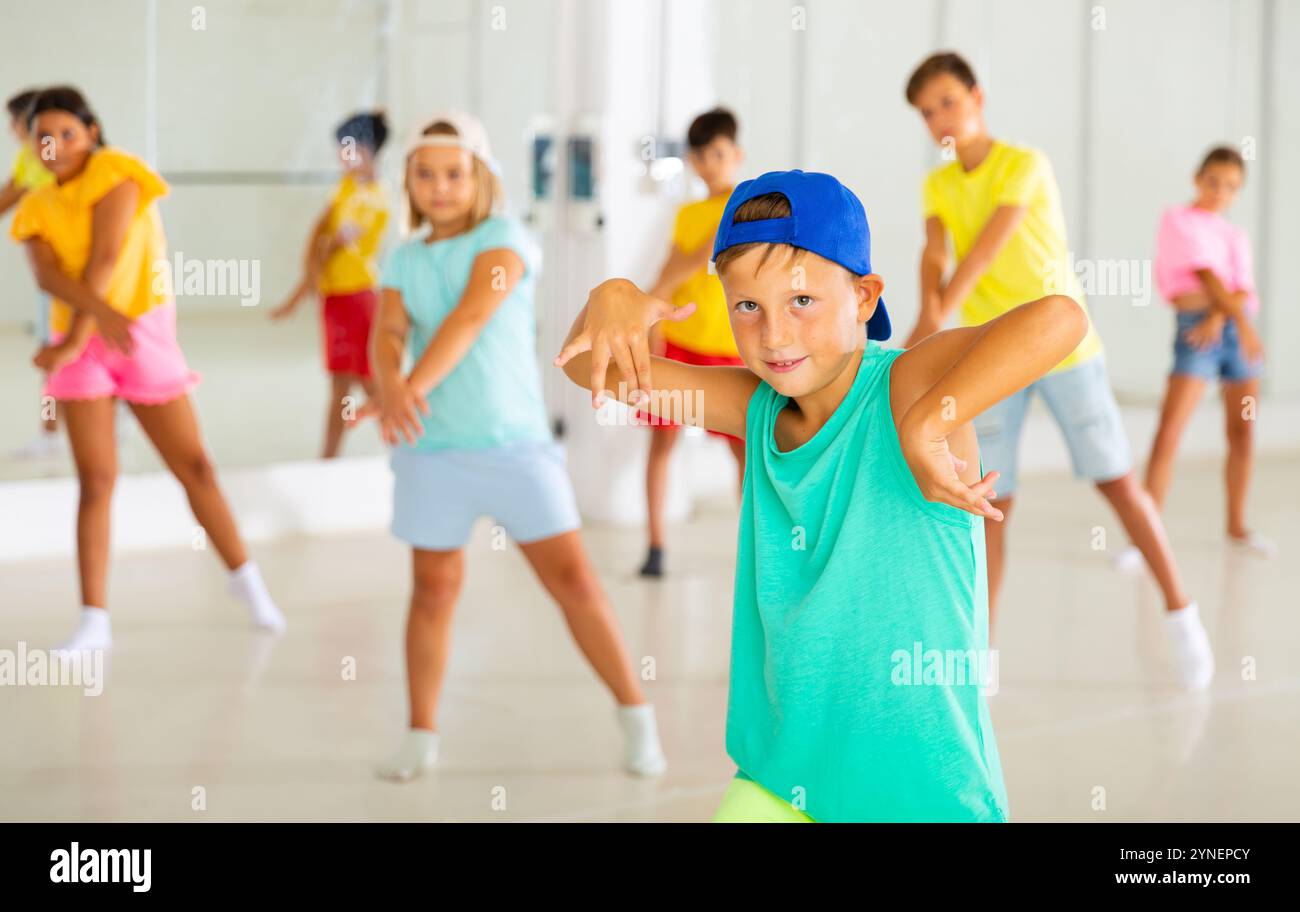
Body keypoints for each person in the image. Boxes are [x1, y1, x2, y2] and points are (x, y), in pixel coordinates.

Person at [554, 169, 1082, 821]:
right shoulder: (750, 406)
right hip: (783, 775)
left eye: (802, 301)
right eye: (748, 306)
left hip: (922, 788)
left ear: (864, 297)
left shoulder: (910, 385)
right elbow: (588, 368)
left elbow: (1061, 319)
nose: (774, 335)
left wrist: (927, 425)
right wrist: (610, 294)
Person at [360, 111, 665, 782]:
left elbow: (471, 317)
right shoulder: (404, 258)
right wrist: (390, 383)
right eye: (426, 174)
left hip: (515, 449)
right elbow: (387, 331)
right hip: (431, 450)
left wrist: (408, 383)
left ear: (480, 179)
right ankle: (420, 731)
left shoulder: (506, 242)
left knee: (576, 581)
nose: (440, 186)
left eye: (455, 173)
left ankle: (635, 713)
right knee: (432, 591)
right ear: (408, 182)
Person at [902, 52, 1212, 690]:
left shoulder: (1024, 165)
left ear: (977, 96)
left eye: (948, 103)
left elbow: (985, 251)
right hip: (993, 354)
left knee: (1118, 482)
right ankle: (977, 653)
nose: (940, 120)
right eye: (927, 112)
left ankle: (1183, 613)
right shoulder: (937, 185)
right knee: (990, 500)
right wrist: (927, 311)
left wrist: (932, 323)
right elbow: (935, 255)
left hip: (1064, 345)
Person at [10, 86, 284, 652]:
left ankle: (246, 582)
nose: (56, 145)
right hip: (88, 338)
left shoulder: (119, 171)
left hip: (138, 335)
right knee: (97, 481)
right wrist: (86, 332)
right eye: (44, 136)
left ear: (91, 132)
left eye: (68, 133)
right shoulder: (36, 206)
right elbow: (48, 279)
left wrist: (84, 331)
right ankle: (94, 620)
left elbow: (106, 259)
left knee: (196, 467)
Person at [1141, 146, 1271, 557]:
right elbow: (1206, 275)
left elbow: (1243, 288)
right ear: (1197, 178)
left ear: (1238, 192)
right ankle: (1146, 538)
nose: (1219, 191)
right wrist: (1231, 318)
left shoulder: (1236, 236)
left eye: (1231, 186)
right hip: (1198, 335)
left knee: (1242, 432)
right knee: (1170, 431)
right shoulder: (1176, 220)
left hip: (1234, 338)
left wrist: (1224, 317)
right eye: (1213, 181)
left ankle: (1236, 527)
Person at [638, 107, 746, 578]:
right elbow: (673, 268)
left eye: (718, 153)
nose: (709, 163)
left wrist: (654, 295)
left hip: (728, 349)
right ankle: (656, 545)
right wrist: (657, 312)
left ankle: (755, 549)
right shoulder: (685, 213)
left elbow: (699, 261)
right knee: (661, 443)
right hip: (680, 339)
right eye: (700, 155)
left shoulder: (743, 207)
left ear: (736, 155)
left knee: (745, 449)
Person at [271, 111, 390, 458]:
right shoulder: (348, 187)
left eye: (347, 148)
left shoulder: (374, 198)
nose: (341, 156)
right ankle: (335, 457)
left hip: (357, 298)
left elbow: (329, 244)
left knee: (363, 383)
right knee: (346, 385)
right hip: (338, 298)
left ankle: (400, 447)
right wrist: (306, 281)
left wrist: (299, 291)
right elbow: (319, 234)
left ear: (365, 149)